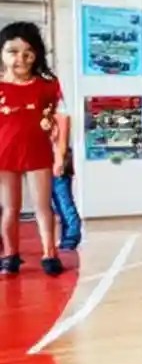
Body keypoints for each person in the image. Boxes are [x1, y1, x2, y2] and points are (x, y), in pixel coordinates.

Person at [0, 21, 66, 276]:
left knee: (42, 206)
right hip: (4, 156)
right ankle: (10, 254)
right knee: (10, 208)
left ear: (36, 54)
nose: (21, 58)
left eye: (28, 52)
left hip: (38, 154)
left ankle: (50, 253)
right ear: (2, 53)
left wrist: (60, 153)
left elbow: (58, 122)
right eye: (13, 51)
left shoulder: (47, 86)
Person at [50, 108, 82, 251]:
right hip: (45, 161)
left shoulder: (55, 113)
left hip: (55, 159)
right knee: (57, 202)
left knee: (63, 200)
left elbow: (61, 136)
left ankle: (70, 236)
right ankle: (67, 236)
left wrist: (60, 159)